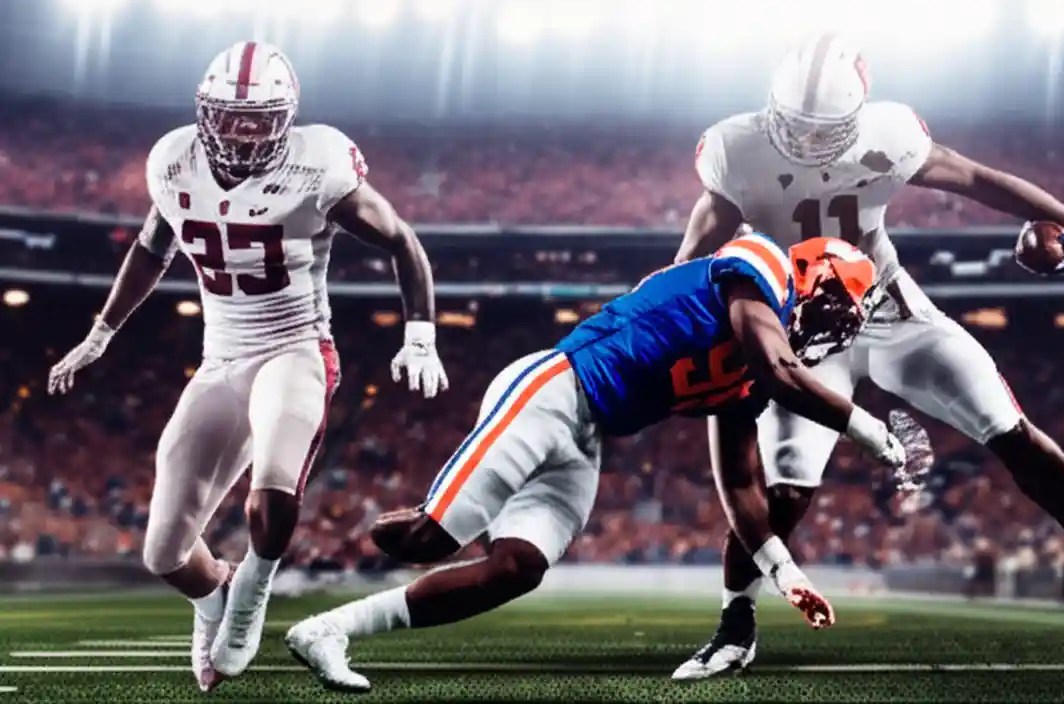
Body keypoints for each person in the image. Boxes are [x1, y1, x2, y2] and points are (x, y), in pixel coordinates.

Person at [671, 32, 1064, 680]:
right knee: (785, 492)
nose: (806, 142)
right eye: (795, 127)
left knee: (1012, 430)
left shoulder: (888, 133)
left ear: (856, 119)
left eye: (822, 130)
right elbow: (690, 258)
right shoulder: (735, 149)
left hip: (891, 310)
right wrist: (685, 331)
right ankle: (735, 624)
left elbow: (973, 177)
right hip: (799, 334)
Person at [285, 234, 923, 693]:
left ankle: (326, 629)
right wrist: (865, 427)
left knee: (516, 568)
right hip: (554, 387)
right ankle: (296, 557)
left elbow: (739, 483)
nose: (833, 327)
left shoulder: (754, 379)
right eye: (835, 305)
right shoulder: (759, 260)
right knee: (427, 539)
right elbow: (779, 366)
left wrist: (787, 576)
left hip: (589, 434)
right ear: (810, 276)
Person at [45, 41, 449, 692]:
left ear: (285, 118)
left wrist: (422, 334)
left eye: (257, 119)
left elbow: (403, 240)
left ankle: (250, 603)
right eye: (227, 117)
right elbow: (153, 249)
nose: (239, 133)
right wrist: (101, 332)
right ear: (202, 114)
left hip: (295, 349)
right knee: (163, 554)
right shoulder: (173, 160)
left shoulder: (318, 166)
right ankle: (216, 596)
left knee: (269, 498)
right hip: (220, 359)